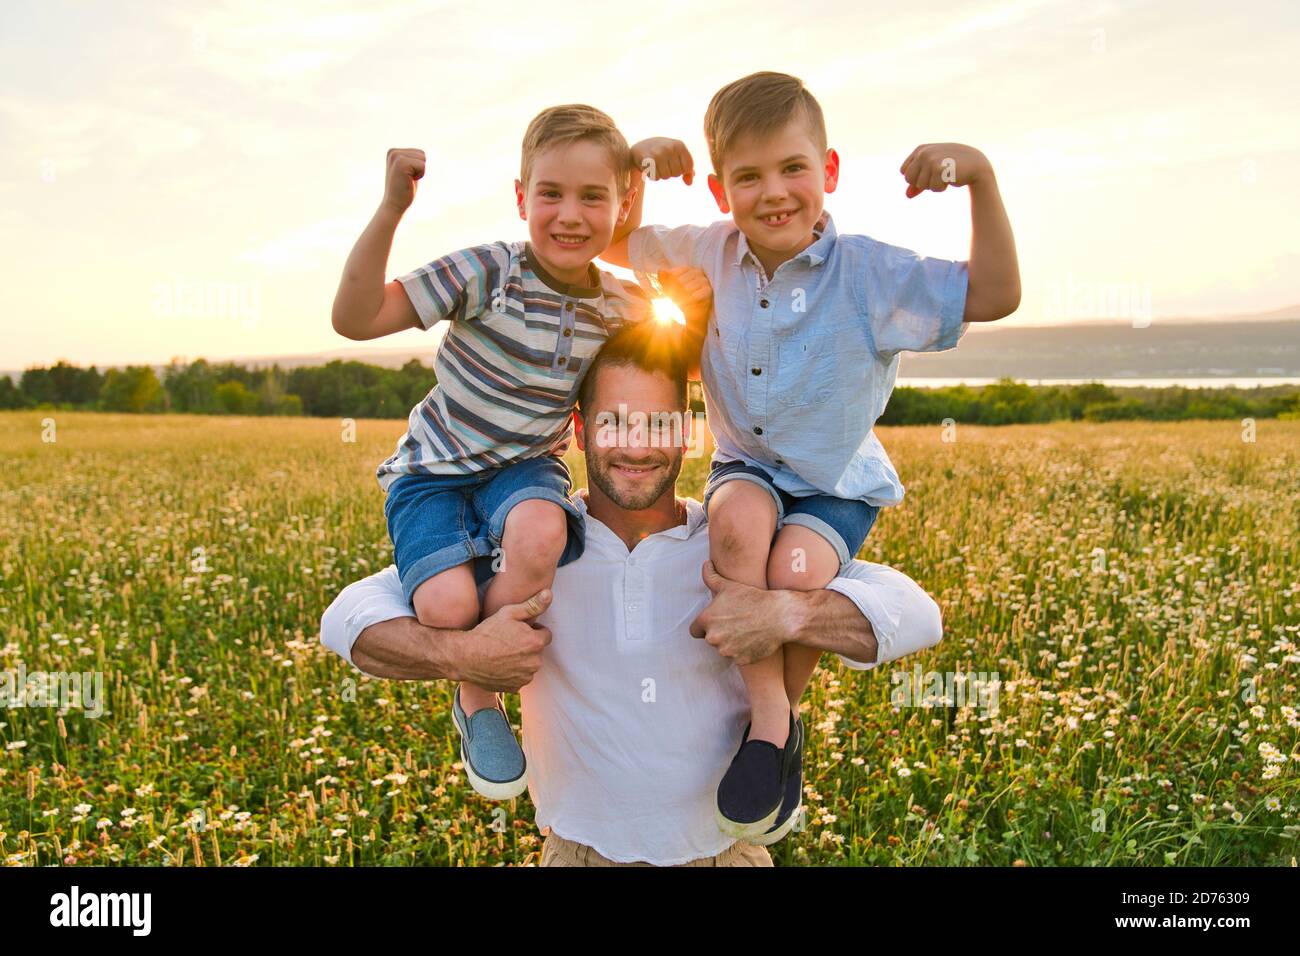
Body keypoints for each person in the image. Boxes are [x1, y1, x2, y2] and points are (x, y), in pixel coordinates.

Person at [320, 322, 945, 865]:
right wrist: (465, 661)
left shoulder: (738, 551)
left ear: (686, 432)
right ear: (580, 431)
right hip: (574, 856)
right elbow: (348, 623)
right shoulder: (530, 545)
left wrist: (780, 612)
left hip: (727, 854)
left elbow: (919, 616)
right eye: (614, 422)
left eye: (658, 423)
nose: (638, 444)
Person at [600, 70, 1020, 838]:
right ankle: (771, 728)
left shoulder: (868, 273)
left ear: (828, 172)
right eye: (748, 176)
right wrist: (636, 170)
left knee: (792, 574)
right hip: (748, 469)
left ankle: (775, 729)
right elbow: (612, 236)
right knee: (734, 531)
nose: (774, 192)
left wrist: (980, 179)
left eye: (793, 168)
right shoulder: (709, 249)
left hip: (834, 483)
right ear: (722, 192)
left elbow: (993, 295)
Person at [329, 104, 708, 800]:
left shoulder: (621, 305)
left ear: (619, 202)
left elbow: (685, 361)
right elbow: (355, 319)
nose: (570, 214)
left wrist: (642, 174)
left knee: (542, 528)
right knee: (444, 609)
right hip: (434, 476)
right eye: (551, 194)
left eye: (593, 196)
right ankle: (478, 697)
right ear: (520, 198)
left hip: (525, 470)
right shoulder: (489, 272)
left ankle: (479, 690)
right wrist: (390, 208)